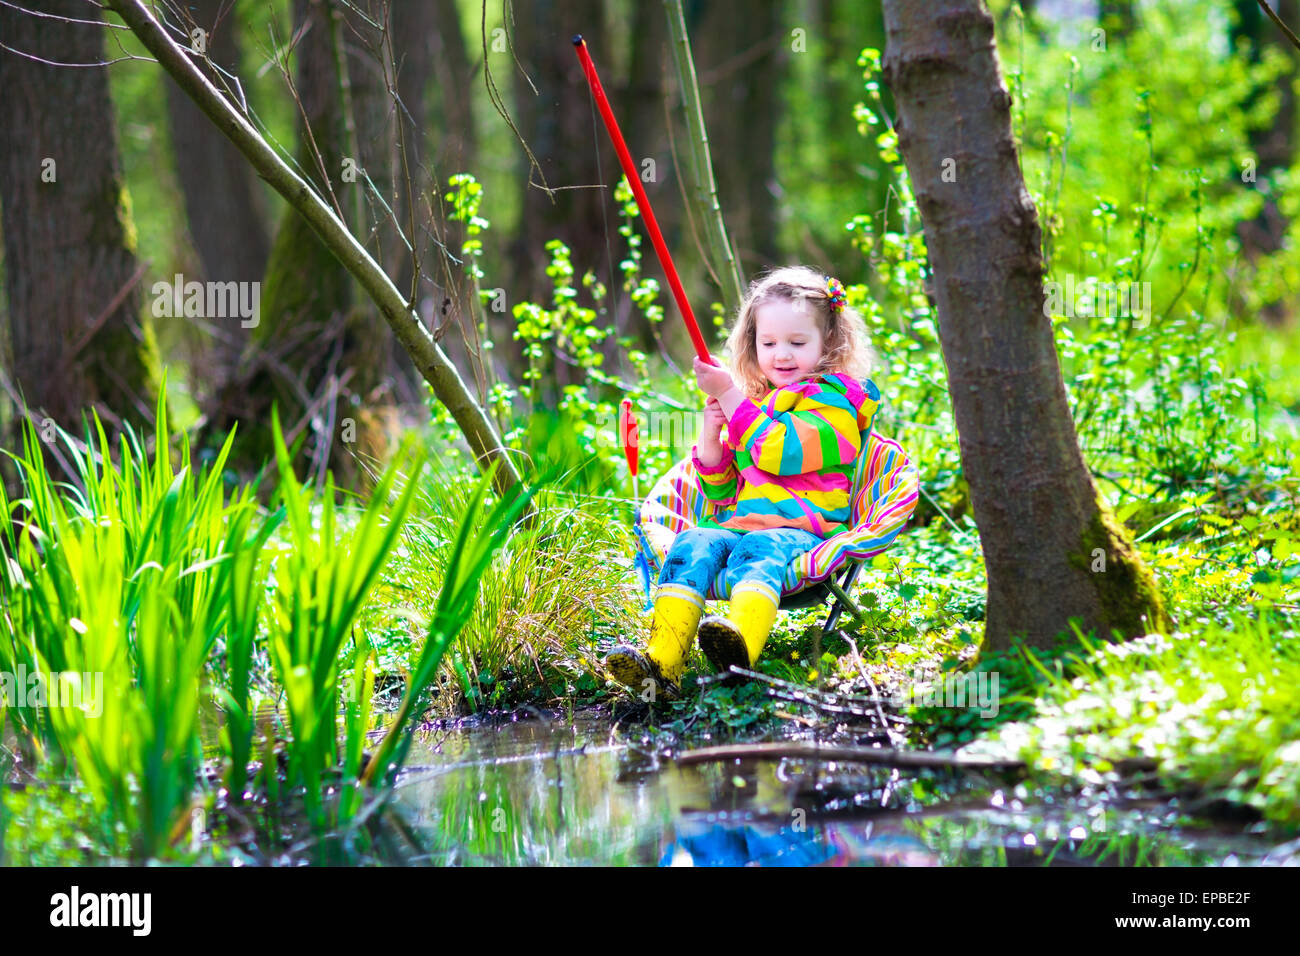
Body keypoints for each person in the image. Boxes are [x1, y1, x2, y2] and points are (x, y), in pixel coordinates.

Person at [607, 265, 881, 699]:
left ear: (828, 342)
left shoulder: (838, 407)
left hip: (802, 534)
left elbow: (780, 452)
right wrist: (710, 434)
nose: (781, 354)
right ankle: (663, 663)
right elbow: (719, 491)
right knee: (692, 542)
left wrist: (732, 398)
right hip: (739, 526)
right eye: (768, 342)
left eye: (796, 342)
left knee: (758, 548)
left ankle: (740, 654)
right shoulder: (756, 407)